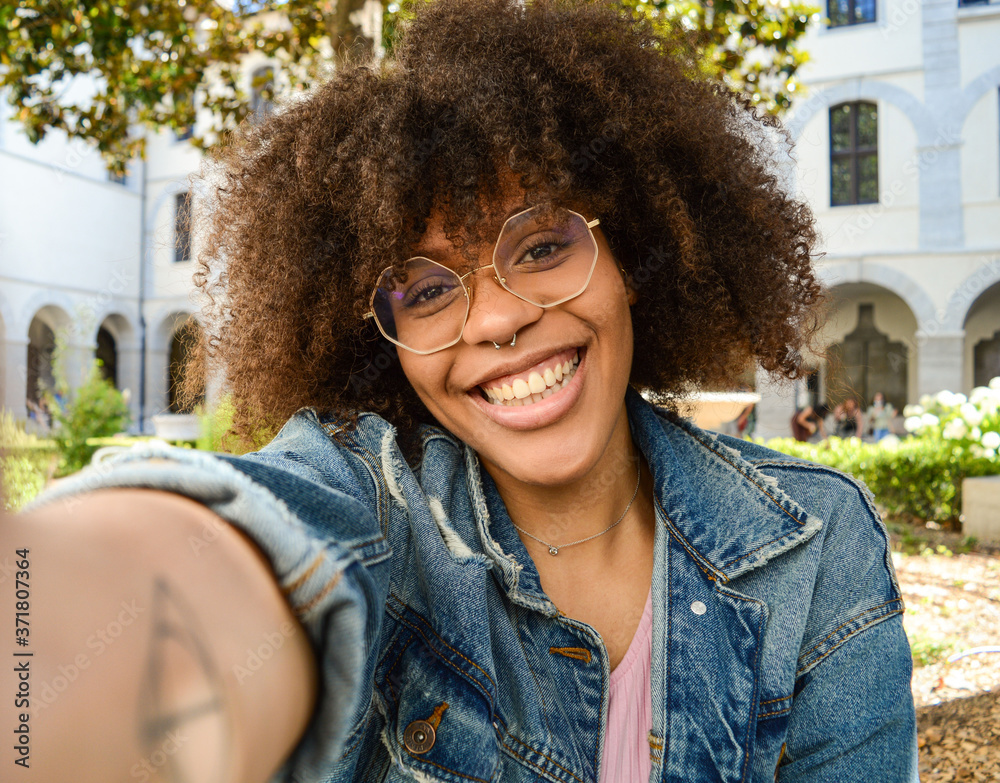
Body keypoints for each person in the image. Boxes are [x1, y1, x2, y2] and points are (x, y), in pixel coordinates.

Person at [3, 2, 917, 781]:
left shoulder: (816, 547)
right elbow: (245, 546)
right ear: (382, 339)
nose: (494, 321)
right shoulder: (374, 499)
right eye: (430, 288)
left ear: (630, 257)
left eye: (543, 245)